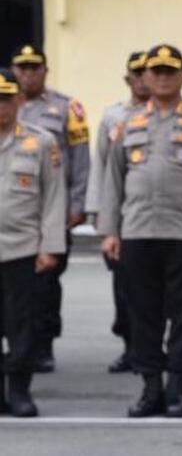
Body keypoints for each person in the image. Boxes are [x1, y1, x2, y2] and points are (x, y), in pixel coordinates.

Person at [99, 44, 182, 418]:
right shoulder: (128, 124)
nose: (161, 78)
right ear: (145, 77)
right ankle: (150, 387)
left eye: (169, 72)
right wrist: (109, 230)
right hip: (137, 231)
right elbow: (113, 180)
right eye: (155, 71)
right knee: (143, 313)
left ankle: (176, 387)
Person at [11, 44, 90, 373]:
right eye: (23, 68)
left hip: (53, 211)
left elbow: (80, 159)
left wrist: (78, 203)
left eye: (35, 68)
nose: (29, 74)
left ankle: (43, 345)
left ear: (45, 71)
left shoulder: (66, 107)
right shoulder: (8, 103)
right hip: (14, 211)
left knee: (45, 283)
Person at [0, 68, 65, 417]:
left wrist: (50, 247)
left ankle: (19, 389)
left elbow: (54, 198)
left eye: (6, 99)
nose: (1, 106)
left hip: (23, 249)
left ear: (18, 101)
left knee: (22, 324)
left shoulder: (41, 142)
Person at [85, 50, 150, 374]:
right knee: (125, 288)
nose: (143, 80)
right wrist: (98, 212)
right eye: (137, 75)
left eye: (147, 73)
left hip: (154, 213)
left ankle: (152, 349)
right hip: (122, 215)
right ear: (129, 79)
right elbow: (101, 165)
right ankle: (130, 347)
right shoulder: (114, 117)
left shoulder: (171, 114)